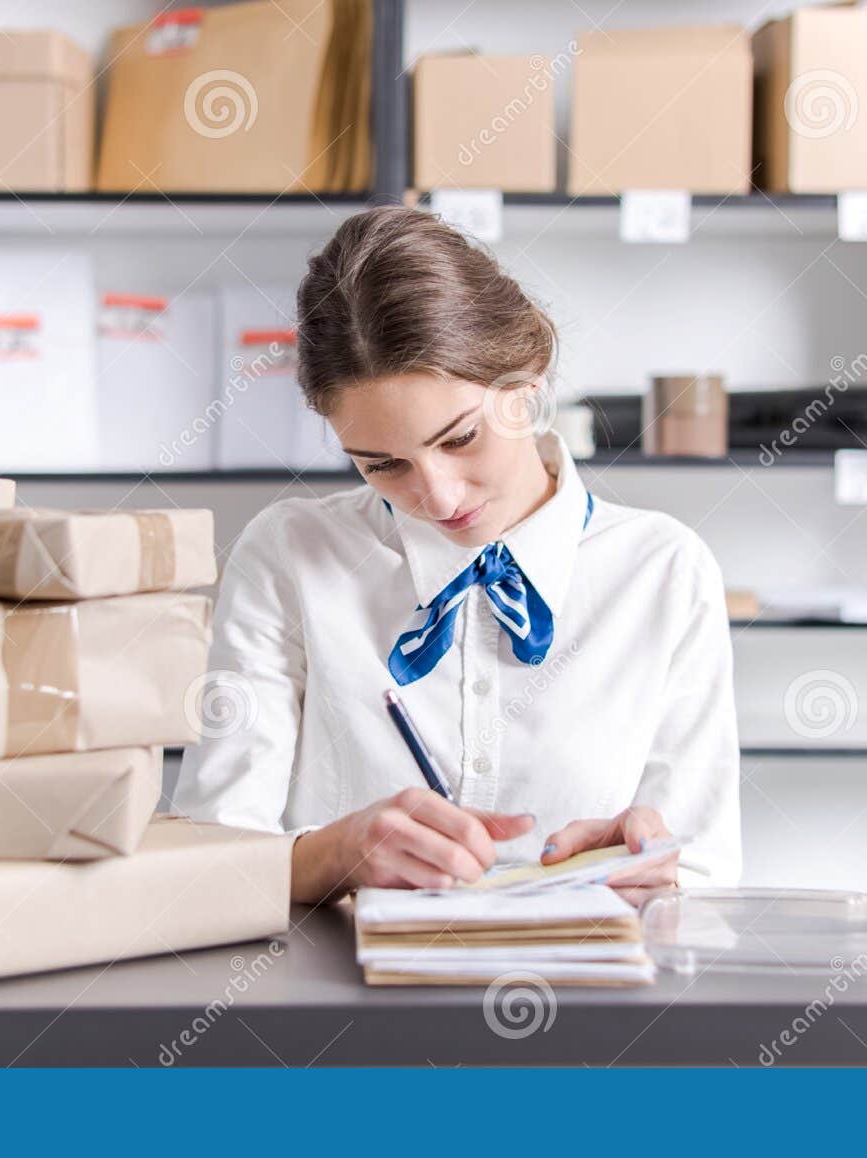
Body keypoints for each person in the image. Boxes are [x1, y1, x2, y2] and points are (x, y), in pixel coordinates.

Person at [173, 205, 741, 905]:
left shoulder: (664, 571)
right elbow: (208, 859)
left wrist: (658, 869)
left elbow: (708, 870)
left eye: (460, 439)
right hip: (337, 1001)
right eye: (382, 465)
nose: (437, 498)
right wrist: (333, 855)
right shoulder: (290, 554)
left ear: (528, 383)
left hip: (594, 998)